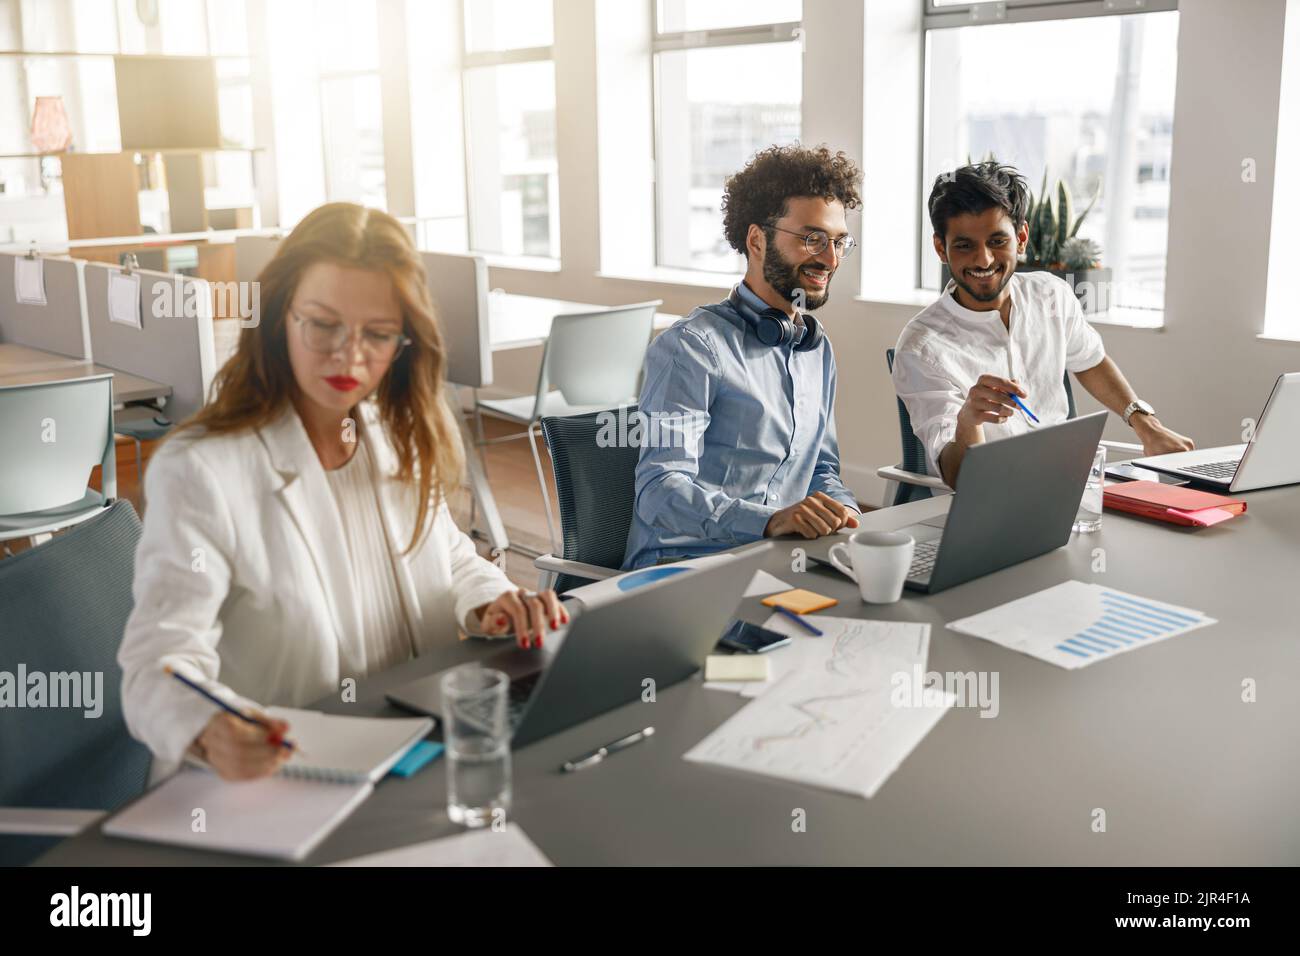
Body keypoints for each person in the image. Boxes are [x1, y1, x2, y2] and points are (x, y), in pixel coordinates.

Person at [118, 203, 567, 782]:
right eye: (323, 324)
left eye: (377, 334)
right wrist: (206, 730)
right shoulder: (203, 468)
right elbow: (156, 661)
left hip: (417, 748)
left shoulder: (390, 430)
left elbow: (448, 552)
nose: (348, 356)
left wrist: (489, 599)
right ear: (280, 316)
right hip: (291, 776)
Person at [622, 144, 863, 571]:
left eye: (839, 242)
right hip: (683, 567)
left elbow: (822, 467)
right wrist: (768, 522)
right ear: (757, 240)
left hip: (774, 560)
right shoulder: (692, 348)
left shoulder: (814, 347)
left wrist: (846, 515)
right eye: (812, 239)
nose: (830, 259)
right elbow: (660, 489)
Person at [893, 161, 1194, 488]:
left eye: (997, 241)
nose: (983, 260)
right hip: (990, 500)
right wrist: (969, 420)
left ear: (1021, 238)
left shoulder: (1051, 294)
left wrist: (1147, 426)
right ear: (941, 248)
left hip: (1068, 485)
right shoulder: (922, 347)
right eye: (965, 246)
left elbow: (1091, 361)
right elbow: (957, 476)